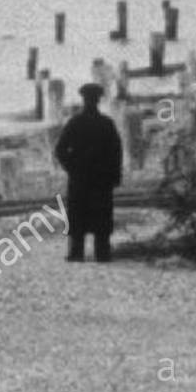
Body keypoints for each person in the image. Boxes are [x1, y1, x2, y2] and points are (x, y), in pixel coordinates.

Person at [54, 82, 123, 263]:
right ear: (98, 100)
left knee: (79, 217)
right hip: (101, 179)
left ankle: (77, 253)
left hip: (81, 179)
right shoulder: (106, 124)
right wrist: (114, 175)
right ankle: (102, 254)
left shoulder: (75, 122)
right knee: (100, 218)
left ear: (84, 100)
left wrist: (72, 168)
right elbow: (116, 153)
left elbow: (60, 150)